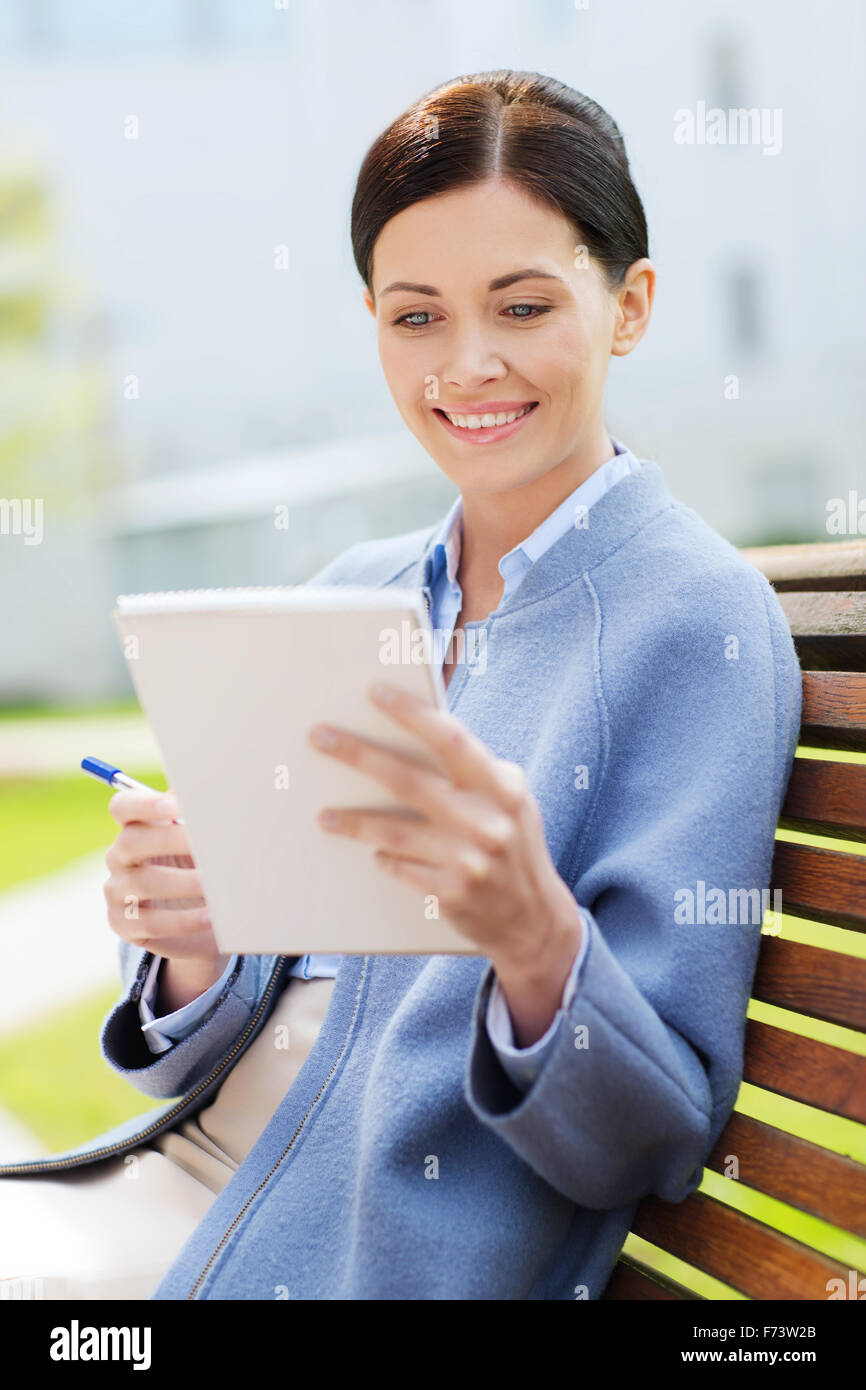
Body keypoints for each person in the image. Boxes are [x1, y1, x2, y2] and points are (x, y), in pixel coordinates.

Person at [0, 69, 802, 1301]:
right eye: (415, 316)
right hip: (193, 1180)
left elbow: (651, 1134)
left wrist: (534, 938)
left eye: (522, 305)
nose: (467, 364)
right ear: (370, 317)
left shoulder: (693, 627)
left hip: (354, 1255)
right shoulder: (347, 594)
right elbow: (190, 1054)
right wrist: (197, 946)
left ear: (628, 304)